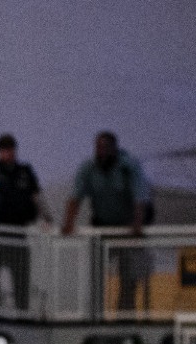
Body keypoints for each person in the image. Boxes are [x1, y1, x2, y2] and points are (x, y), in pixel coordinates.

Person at [62, 131, 153, 313]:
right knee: (95, 276)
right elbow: (75, 198)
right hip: (102, 226)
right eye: (98, 148)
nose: (101, 152)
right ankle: (95, 315)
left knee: (129, 279)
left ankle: (125, 318)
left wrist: (136, 227)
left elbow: (140, 198)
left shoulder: (129, 167)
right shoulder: (88, 168)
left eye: (105, 148)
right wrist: (68, 224)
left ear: (114, 149)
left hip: (127, 229)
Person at [0, 133, 46, 312]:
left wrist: (45, 218)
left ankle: (23, 312)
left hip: (19, 231)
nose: (8, 153)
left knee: (21, 276)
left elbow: (36, 196)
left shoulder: (25, 172)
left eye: (10, 149)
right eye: (4, 149)